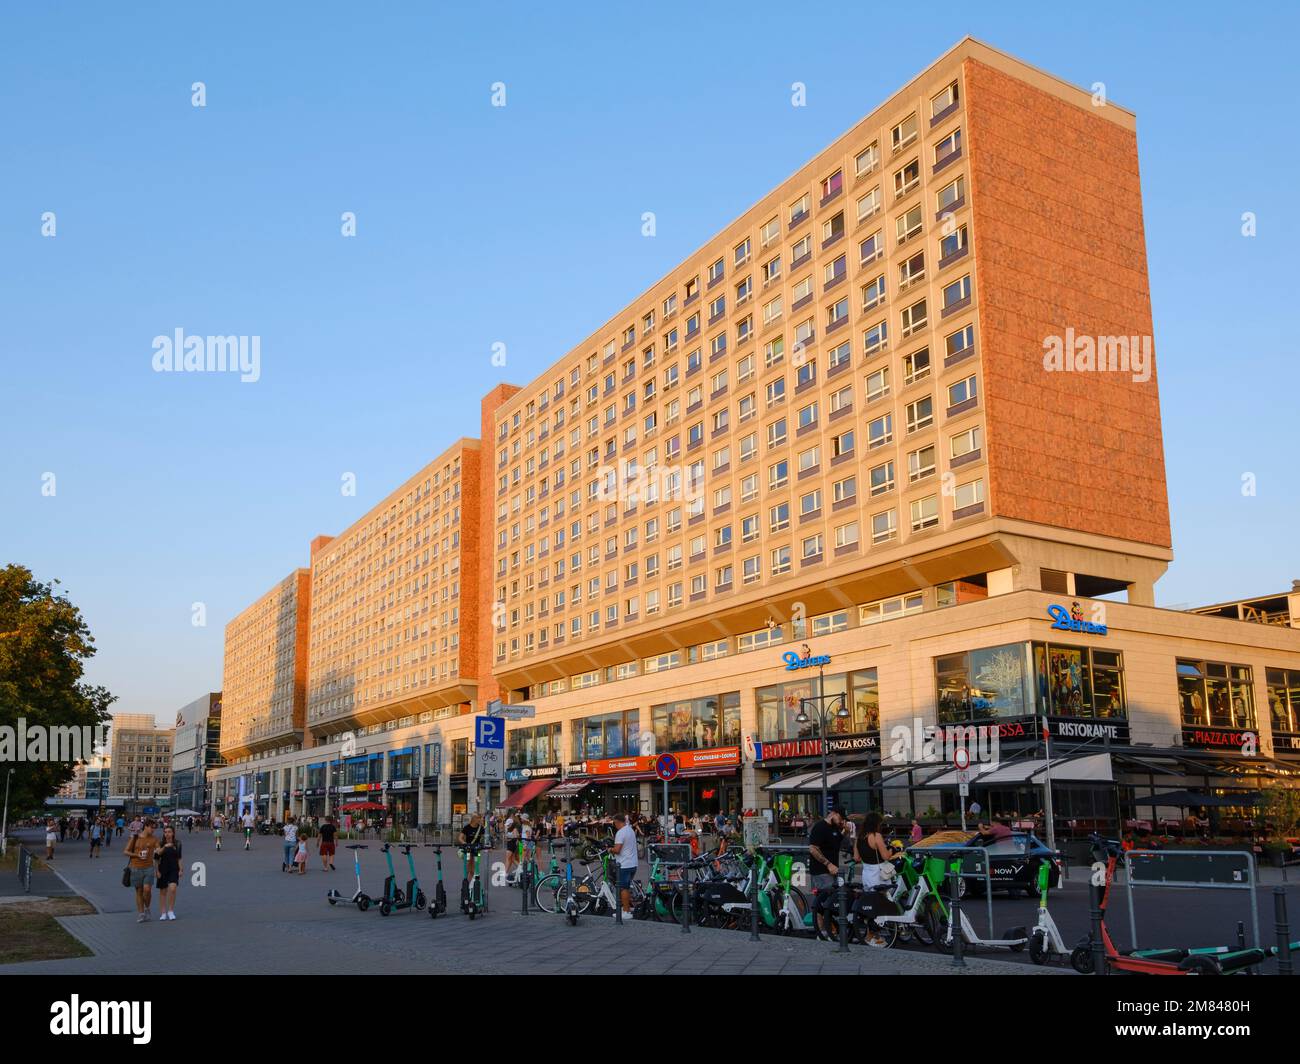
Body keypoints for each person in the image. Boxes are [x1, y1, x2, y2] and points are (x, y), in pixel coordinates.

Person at [855, 812, 897, 947]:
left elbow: (857, 858)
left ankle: (870, 934)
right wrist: (893, 849)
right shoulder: (876, 836)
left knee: (870, 904)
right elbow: (885, 856)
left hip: (866, 873)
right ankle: (873, 935)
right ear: (876, 824)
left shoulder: (859, 837)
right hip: (878, 874)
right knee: (880, 905)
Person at [808, 806, 846, 941]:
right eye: (840, 818)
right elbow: (813, 848)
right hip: (821, 870)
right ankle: (822, 931)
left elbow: (837, 844)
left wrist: (844, 830)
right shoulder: (820, 827)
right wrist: (828, 864)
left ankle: (829, 929)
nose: (841, 821)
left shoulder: (835, 828)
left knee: (832, 901)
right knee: (823, 900)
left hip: (833, 870)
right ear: (833, 814)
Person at [125, 819, 161, 922]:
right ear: (146, 826)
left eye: (155, 828)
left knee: (147, 889)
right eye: (152, 827)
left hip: (149, 867)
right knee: (139, 891)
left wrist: (160, 850)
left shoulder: (154, 839)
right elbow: (126, 851)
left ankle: (147, 908)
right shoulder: (135, 838)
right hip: (135, 867)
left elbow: (158, 849)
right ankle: (141, 913)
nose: (153, 830)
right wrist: (137, 855)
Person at [611, 812, 638, 920]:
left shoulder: (620, 833)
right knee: (625, 887)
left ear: (617, 822)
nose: (614, 825)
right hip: (633, 863)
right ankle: (624, 908)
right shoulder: (630, 830)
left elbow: (617, 850)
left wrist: (610, 849)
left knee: (623, 888)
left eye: (614, 823)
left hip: (624, 864)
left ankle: (626, 912)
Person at [155, 825, 183, 920]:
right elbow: (157, 856)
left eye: (169, 832)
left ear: (173, 833)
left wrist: (181, 869)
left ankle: (171, 910)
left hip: (174, 869)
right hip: (162, 868)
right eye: (165, 832)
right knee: (163, 891)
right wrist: (157, 871)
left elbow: (179, 858)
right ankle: (163, 912)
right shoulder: (160, 843)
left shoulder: (177, 843)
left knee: (173, 888)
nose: (167, 834)